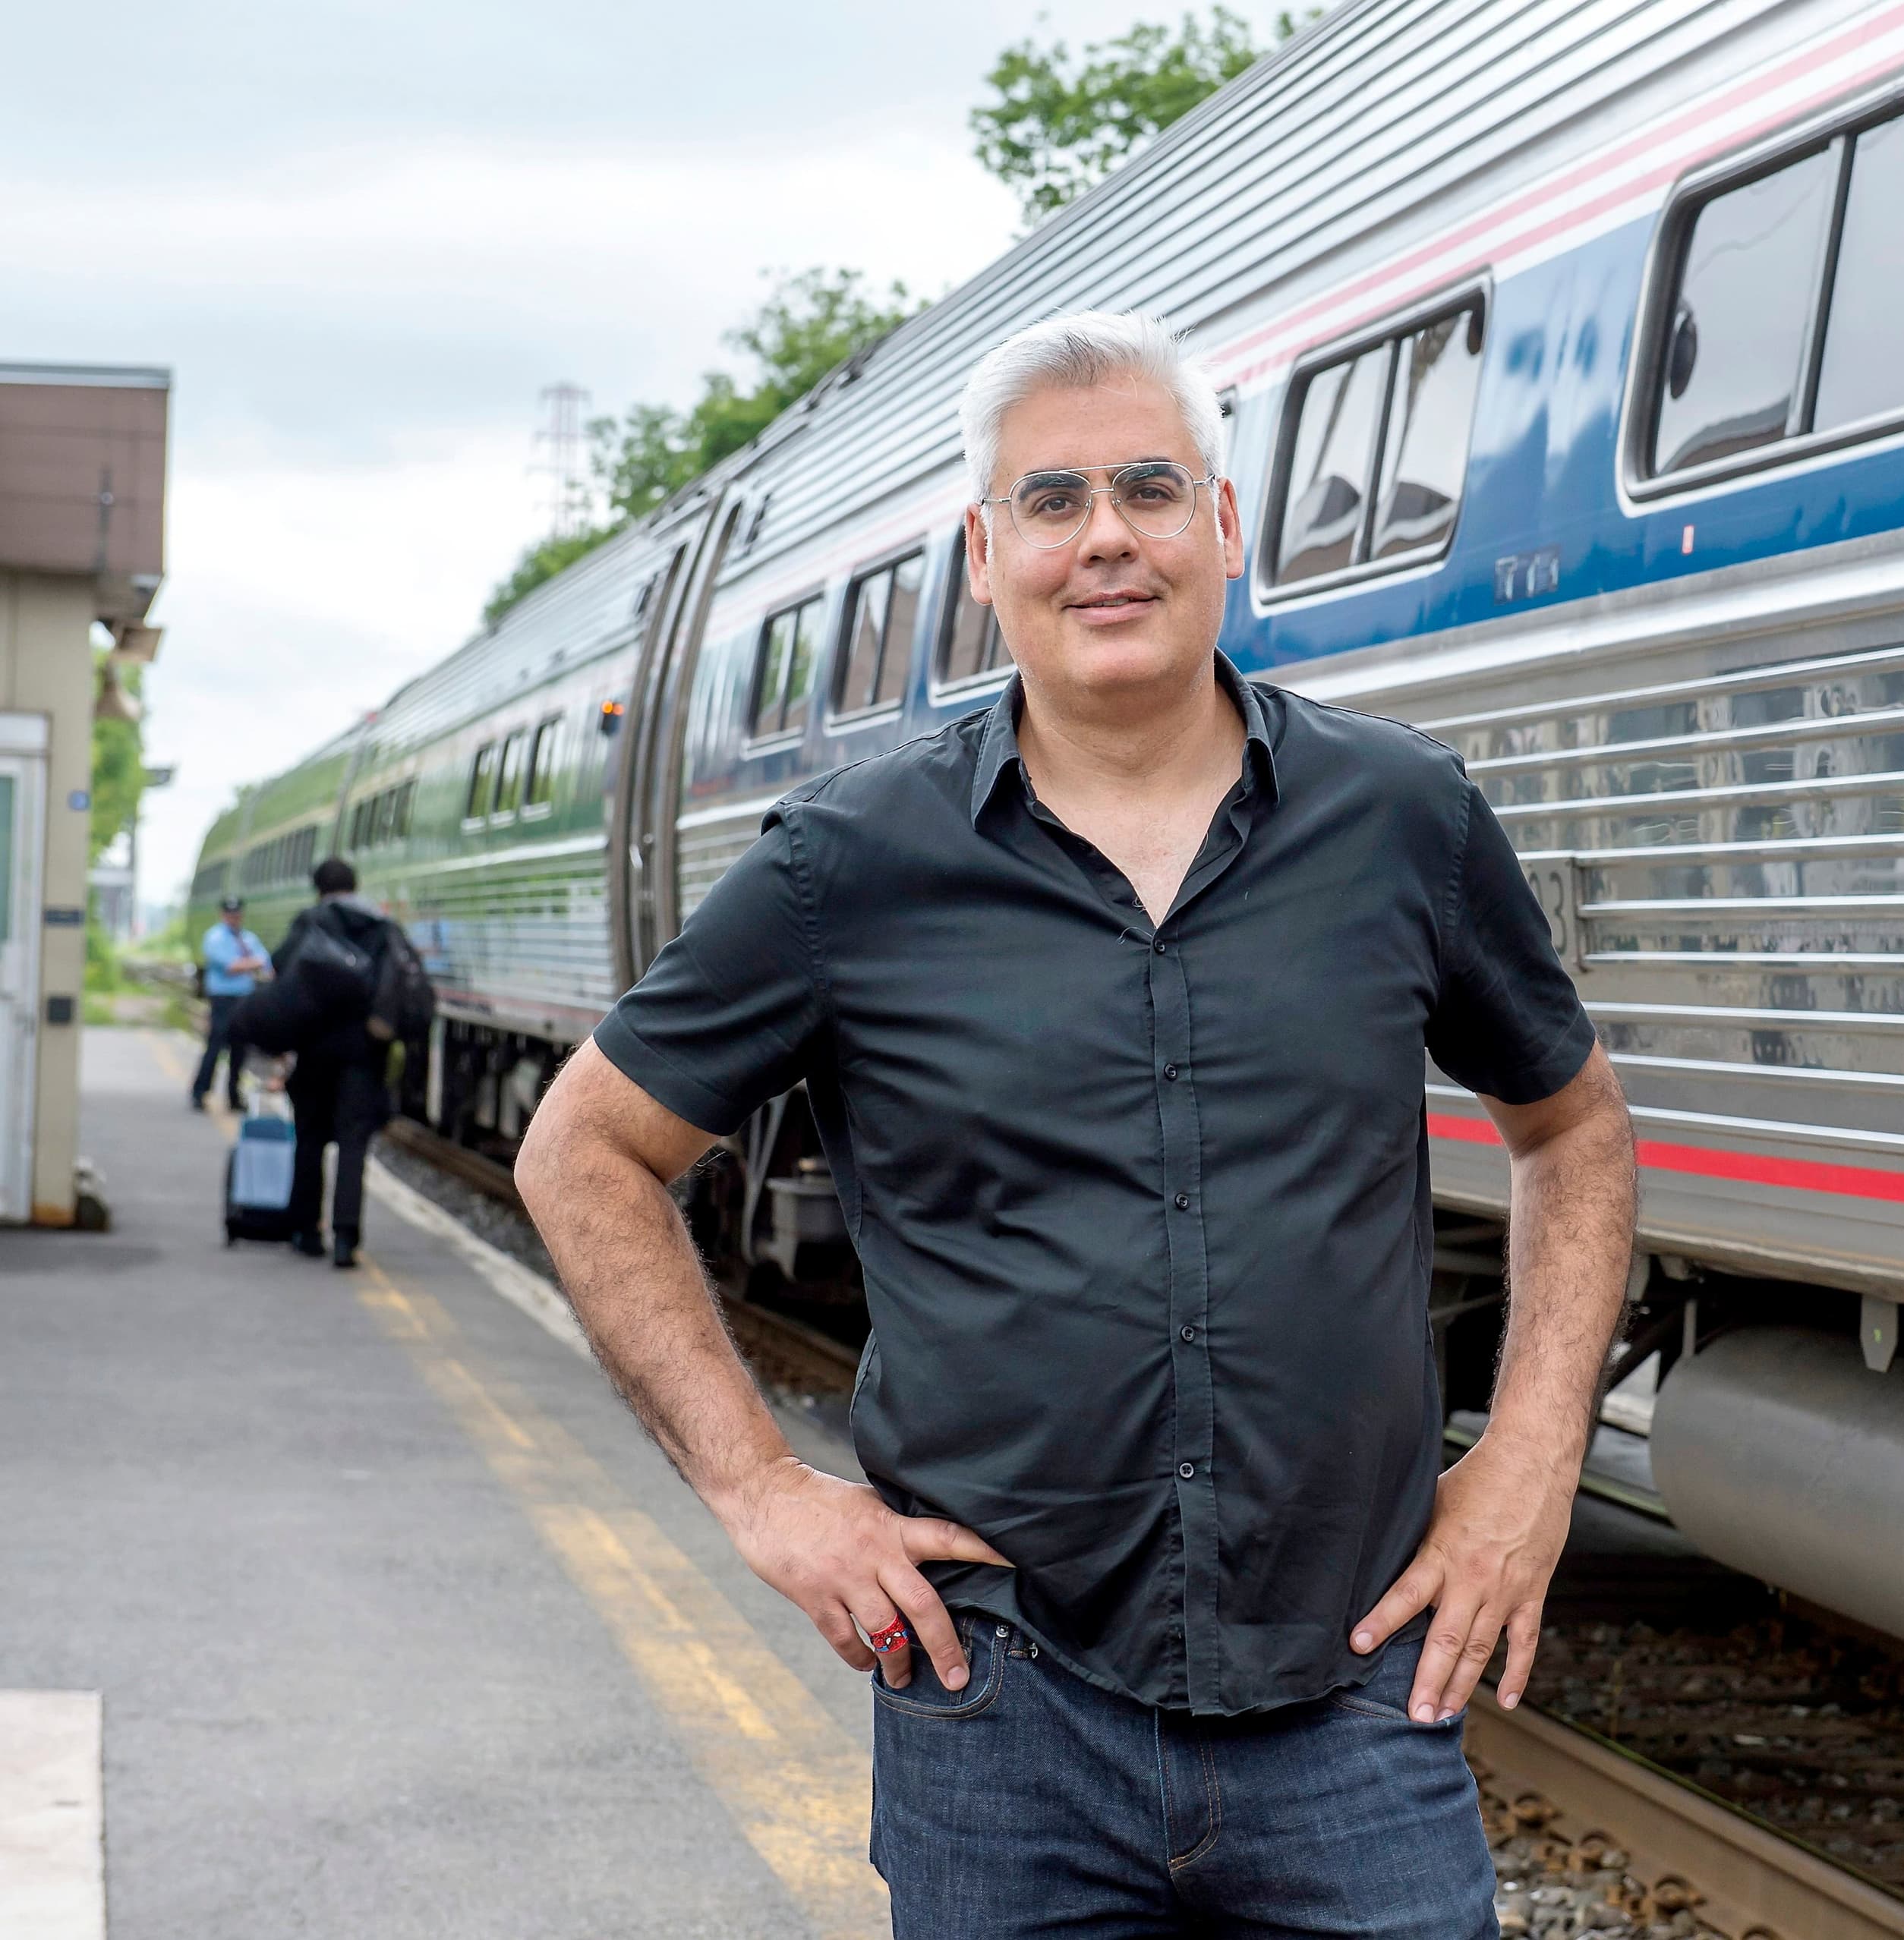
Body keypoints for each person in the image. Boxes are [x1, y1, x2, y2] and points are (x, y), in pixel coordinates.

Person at [516, 310, 1640, 1937]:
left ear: (1226, 530)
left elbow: (1574, 1132)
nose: (1103, 536)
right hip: (1003, 1709)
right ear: (988, 557)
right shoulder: (850, 866)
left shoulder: (1406, 821)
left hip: (1354, 1701)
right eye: (1051, 502)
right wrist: (764, 1489)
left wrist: (1534, 1466)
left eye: (1149, 489)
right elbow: (584, 1150)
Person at [270, 857, 395, 1269]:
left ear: (319, 889)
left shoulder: (310, 923)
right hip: (362, 1056)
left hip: (313, 1052)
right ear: (355, 886)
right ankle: (345, 1239)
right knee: (352, 1147)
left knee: (308, 1139)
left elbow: (280, 970)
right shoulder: (379, 927)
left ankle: (306, 1231)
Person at [191, 895, 266, 1111]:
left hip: (244, 999)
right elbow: (231, 966)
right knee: (215, 1045)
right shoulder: (214, 938)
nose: (234, 918)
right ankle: (200, 1091)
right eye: (230, 914)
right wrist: (252, 963)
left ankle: (234, 1096)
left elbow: (264, 961)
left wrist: (250, 964)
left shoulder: (248, 938)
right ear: (223, 914)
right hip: (223, 999)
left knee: (240, 1048)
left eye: (237, 914)